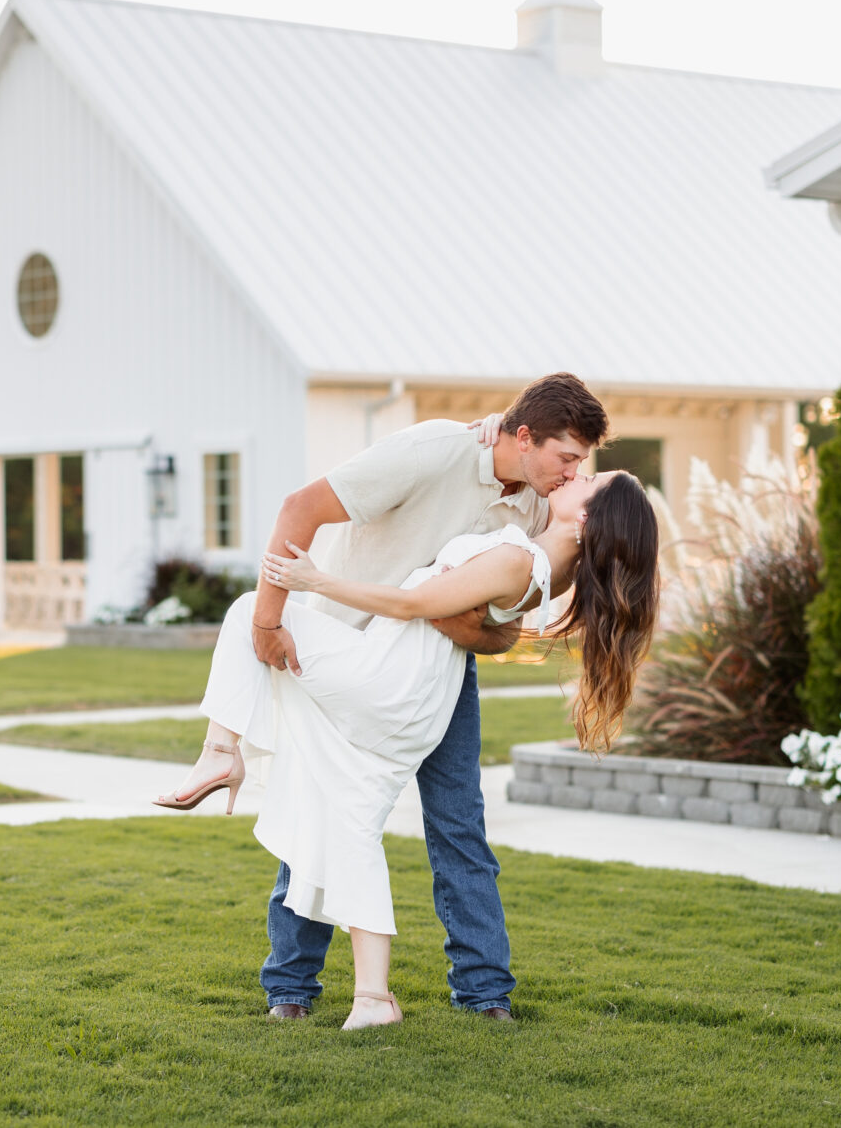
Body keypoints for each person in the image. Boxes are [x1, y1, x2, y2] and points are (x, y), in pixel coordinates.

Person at [155, 374, 652, 1026]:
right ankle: (293, 986)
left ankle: (482, 992)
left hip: (434, 675)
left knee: (456, 825)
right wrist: (271, 621)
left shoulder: (541, 506)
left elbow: (502, 630)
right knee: (322, 806)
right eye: (568, 457)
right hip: (345, 642)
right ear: (523, 436)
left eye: (581, 466)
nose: (574, 472)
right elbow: (300, 508)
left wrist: (450, 620)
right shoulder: (434, 452)